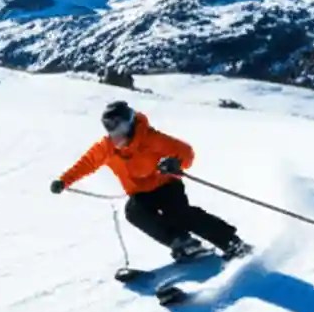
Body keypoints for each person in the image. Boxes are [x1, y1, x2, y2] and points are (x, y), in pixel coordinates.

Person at [50, 101, 251, 261]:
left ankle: (231, 242)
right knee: (134, 212)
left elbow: (186, 152)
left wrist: (175, 162)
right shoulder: (107, 148)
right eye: (109, 128)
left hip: (166, 185)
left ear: (128, 124)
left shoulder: (151, 139)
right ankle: (181, 242)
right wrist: (64, 181)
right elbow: (87, 163)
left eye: (117, 127)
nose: (114, 134)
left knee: (180, 214)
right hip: (140, 193)